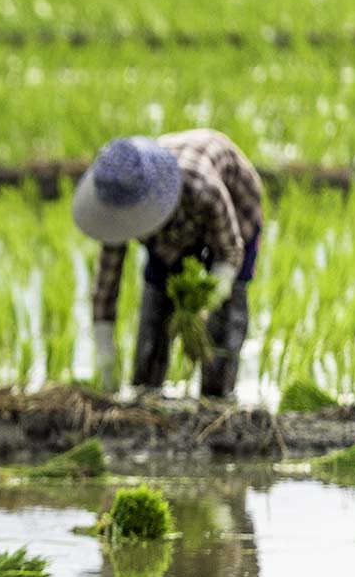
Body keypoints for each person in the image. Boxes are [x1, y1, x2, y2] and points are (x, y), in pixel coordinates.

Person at [72, 130, 264, 399]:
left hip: (233, 215)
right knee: (154, 319)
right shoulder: (119, 200)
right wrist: (106, 356)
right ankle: (146, 391)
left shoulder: (201, 186)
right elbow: (106, 282)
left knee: (224, 323)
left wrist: (207, 299)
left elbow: (230, 250)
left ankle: (217, 398)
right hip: (171, 235)